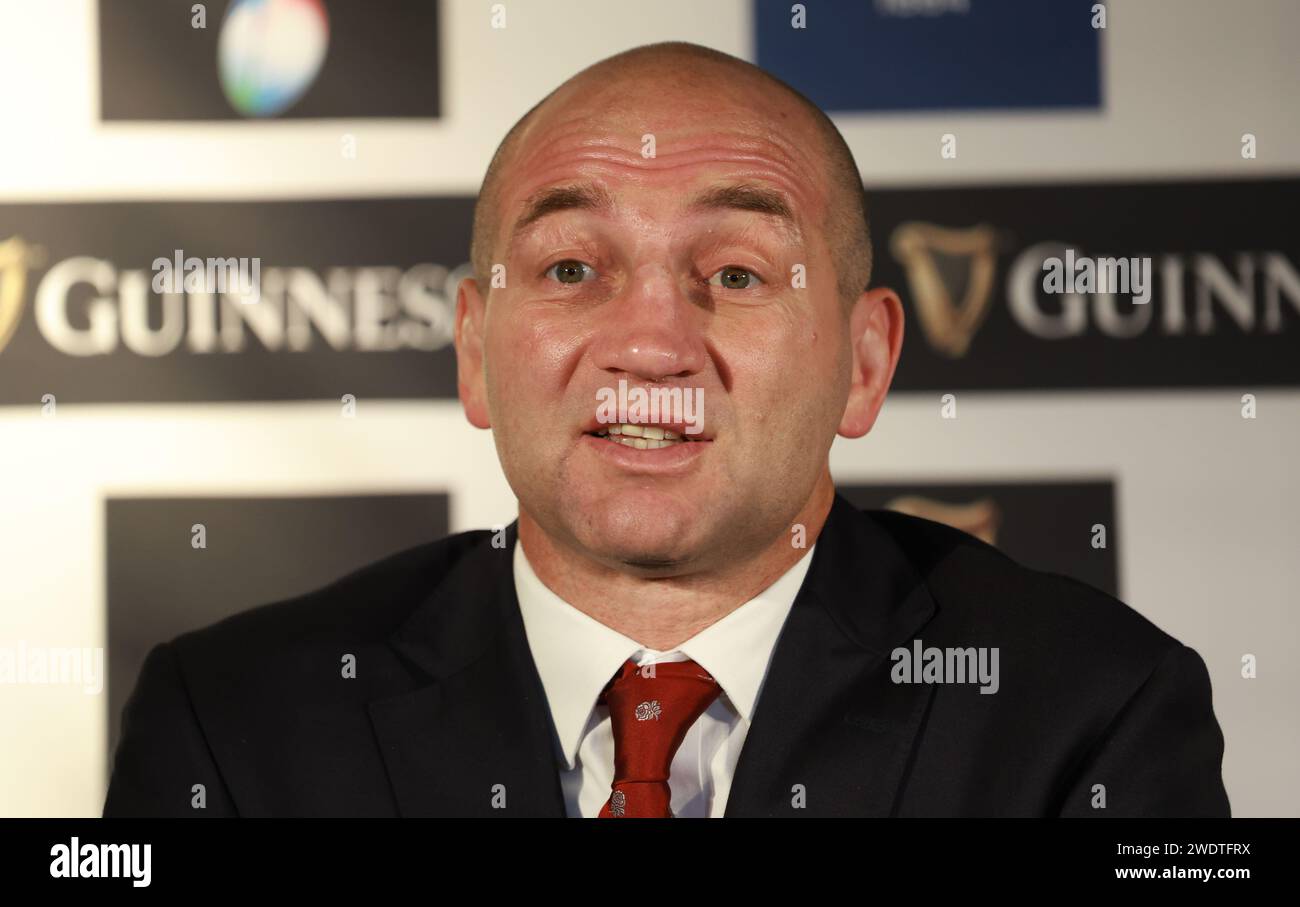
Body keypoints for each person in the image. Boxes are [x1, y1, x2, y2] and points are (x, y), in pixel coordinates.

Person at [104, 41, 1229, 818]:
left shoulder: (1089, 711)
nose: (650, 342)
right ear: (473, 345)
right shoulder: (235, 720)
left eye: (735, 272)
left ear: (866, 362)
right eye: (573, 266)